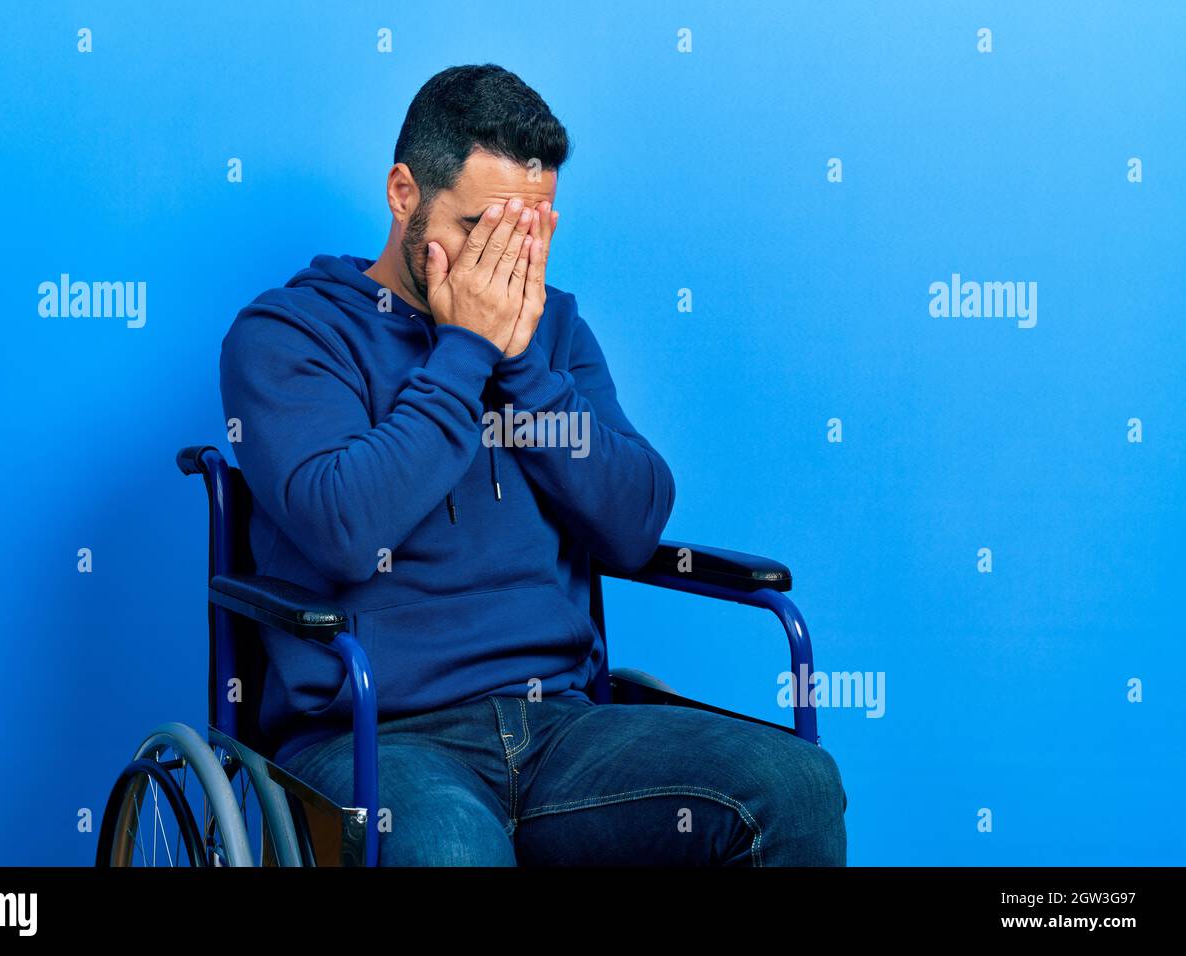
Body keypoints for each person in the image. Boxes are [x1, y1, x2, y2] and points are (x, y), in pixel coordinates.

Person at [219, 63, 846, 865]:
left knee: (792, 783)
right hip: (376, 738)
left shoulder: (553, 335)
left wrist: (521, 370)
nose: (504, 263)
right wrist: (465, 350)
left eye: (530, 232)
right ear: (404, 193)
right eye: (480, 227)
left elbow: (634, 523)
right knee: (451, 849)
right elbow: (345, 527)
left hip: (562, 728)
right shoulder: (290, 335)